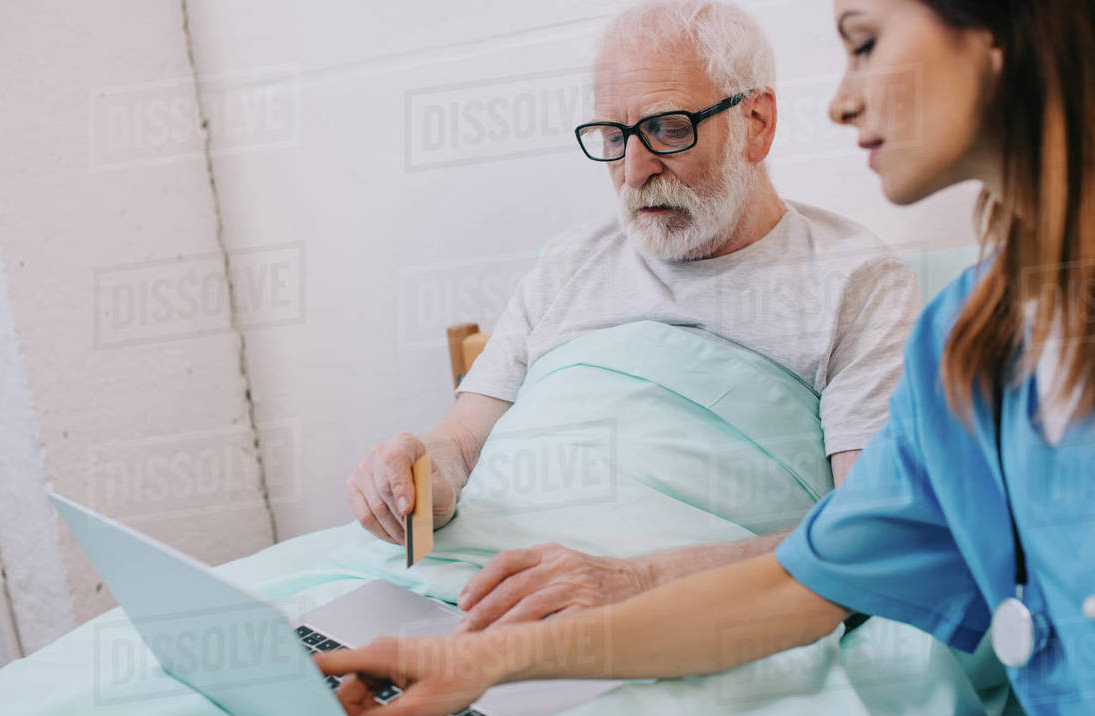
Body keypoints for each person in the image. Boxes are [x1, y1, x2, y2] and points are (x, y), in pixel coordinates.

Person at [318, 1, 1095, 716]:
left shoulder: (873, 293)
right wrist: (478, 657)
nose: (839, 102)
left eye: (865, 43)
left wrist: (628, 580)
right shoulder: (969, 340)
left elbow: (831, 571)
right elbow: (811, 577)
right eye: (614, 139)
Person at [348, 0, 921, 631]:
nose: (633, 169)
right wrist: (417, 472)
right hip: (468, 589)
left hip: (676, 620)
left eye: (669, 129)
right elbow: (459, 442)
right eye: (613, 138)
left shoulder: (856, 283)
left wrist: (638, 583)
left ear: (757, 122)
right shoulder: (568, 266)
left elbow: (867, 537)